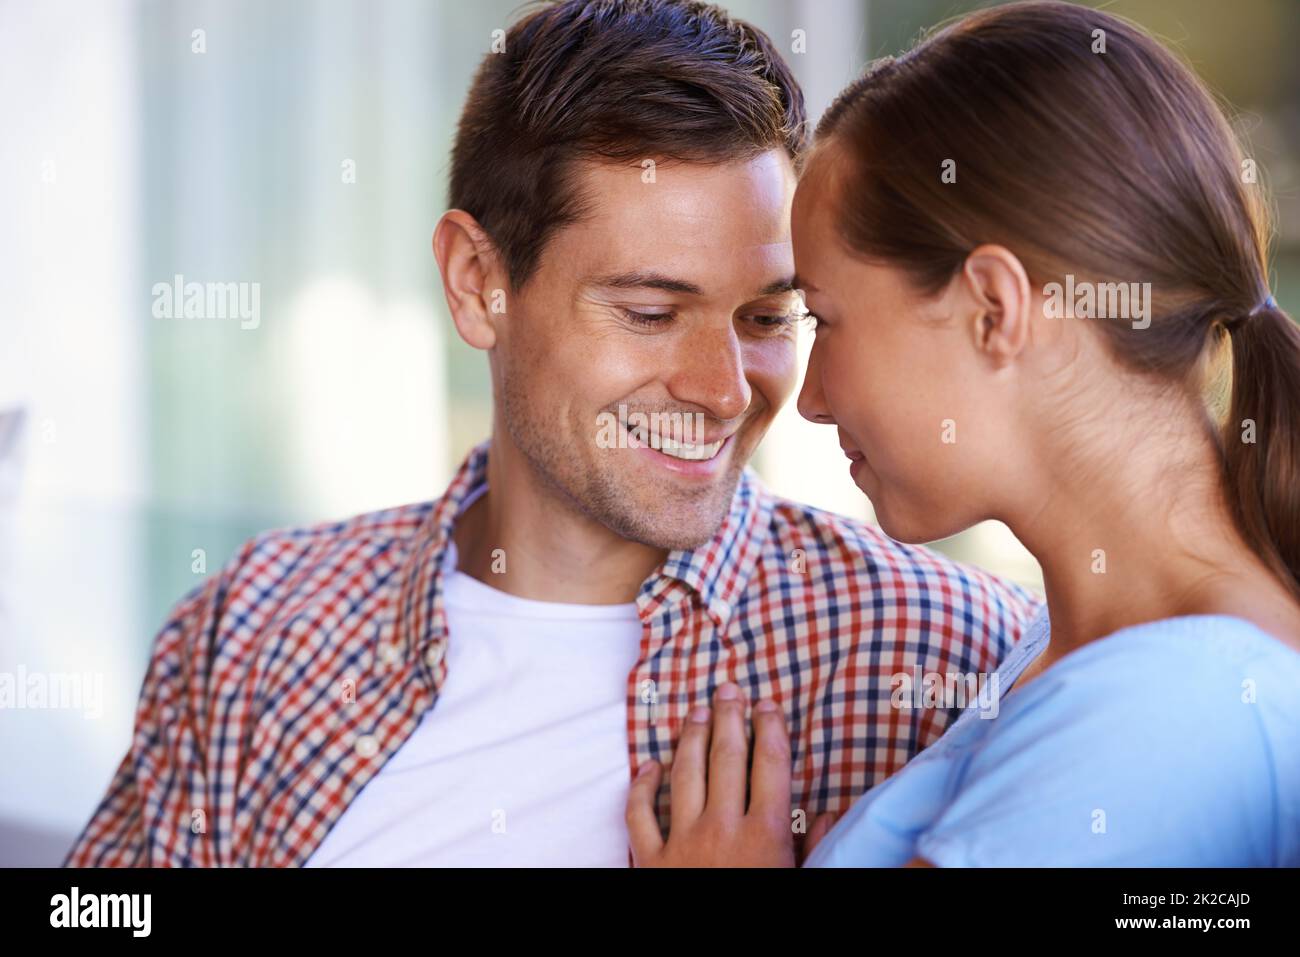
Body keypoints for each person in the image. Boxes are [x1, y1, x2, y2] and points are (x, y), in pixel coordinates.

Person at [64, 0, 1034, 868]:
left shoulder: (950, 664)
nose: (723, 390)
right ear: (476, 281)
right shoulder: (252, 632)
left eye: (767, 319)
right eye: (651, 313)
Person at [627, 0, 1300, 868]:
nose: (812, 400)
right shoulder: (1068, 644)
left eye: (824, 320)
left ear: (994, 310)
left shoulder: (1169, 714)